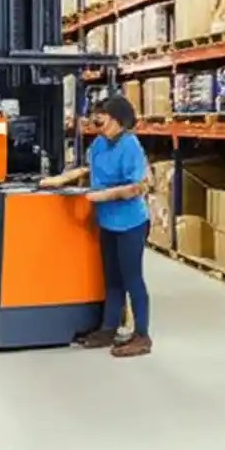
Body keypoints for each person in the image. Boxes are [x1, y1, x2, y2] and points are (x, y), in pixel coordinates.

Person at [40, 95, 152, 357]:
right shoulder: (100, 144)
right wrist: (59, 180)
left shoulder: (131, 146)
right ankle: (108, 328)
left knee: (132, 278)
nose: (98, 126)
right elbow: (88, 170)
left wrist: (101, 196)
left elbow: (136, 187)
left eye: (103, 121)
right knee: (112, 279)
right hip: (108, 221)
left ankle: (142, 336)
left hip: (131, 223)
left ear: (119, 121)